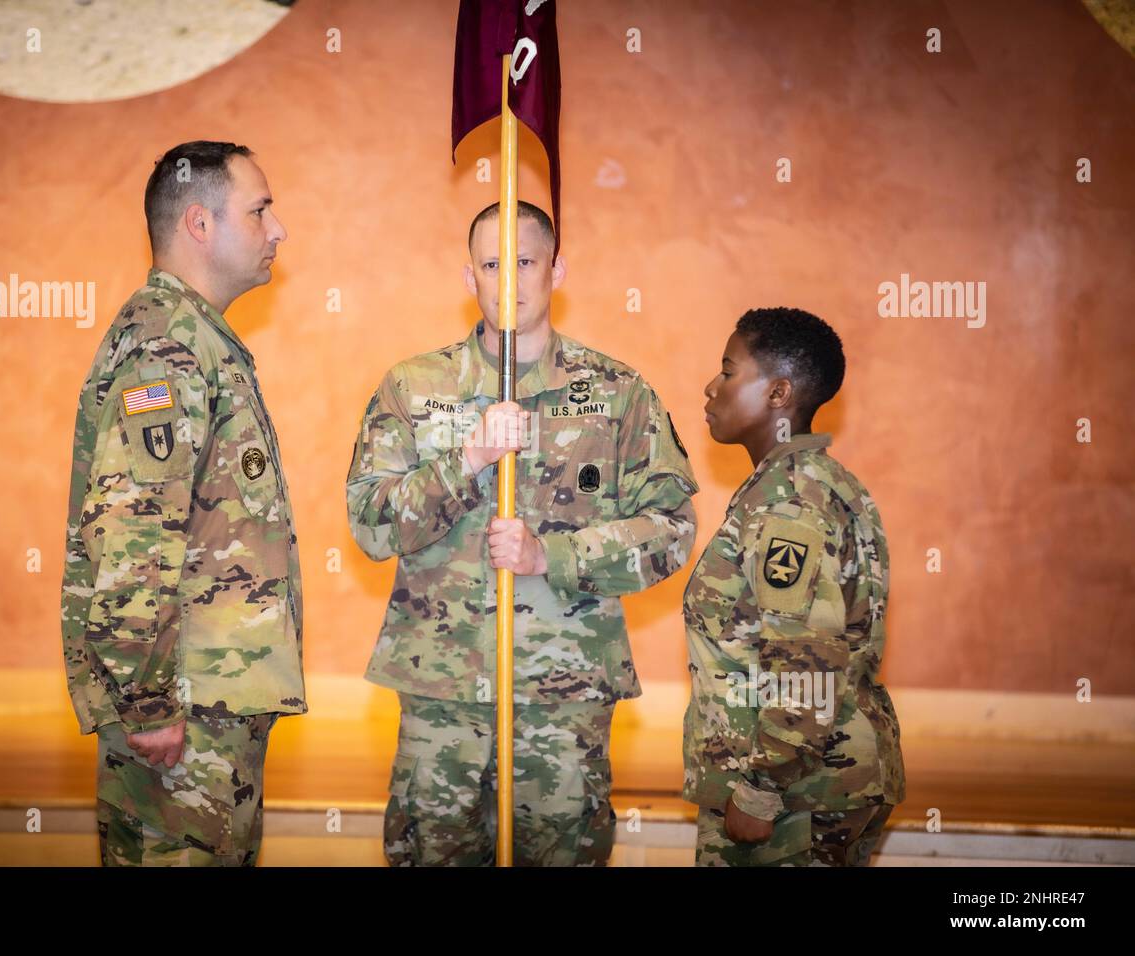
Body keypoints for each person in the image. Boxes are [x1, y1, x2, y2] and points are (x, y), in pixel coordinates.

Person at [346, 200, 699, 866]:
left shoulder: (619, 394)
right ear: (467, 278)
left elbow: (673, 527)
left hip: (563, 695)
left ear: (558, 269)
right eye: (491, 263)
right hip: (442, 693)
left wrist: (552, 555)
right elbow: (370, 525)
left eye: (526, 261)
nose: (508, 280)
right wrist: (467, 461)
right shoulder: (414, 388)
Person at [59, 140, 306, 866]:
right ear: (201, 224)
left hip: (206, 711)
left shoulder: (196, 340)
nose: (278, 228)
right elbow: (133, 536)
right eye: (260, 209)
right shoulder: (166, 347)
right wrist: (149, 703)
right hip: (184, 719)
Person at [683, 306, 905, 866]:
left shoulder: (787, 503)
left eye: (729, 372)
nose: (711, 388)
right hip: (817, 784)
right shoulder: (823, 483)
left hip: (795, 798)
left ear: (779, 392)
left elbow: (806, 661)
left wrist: (761, 791)